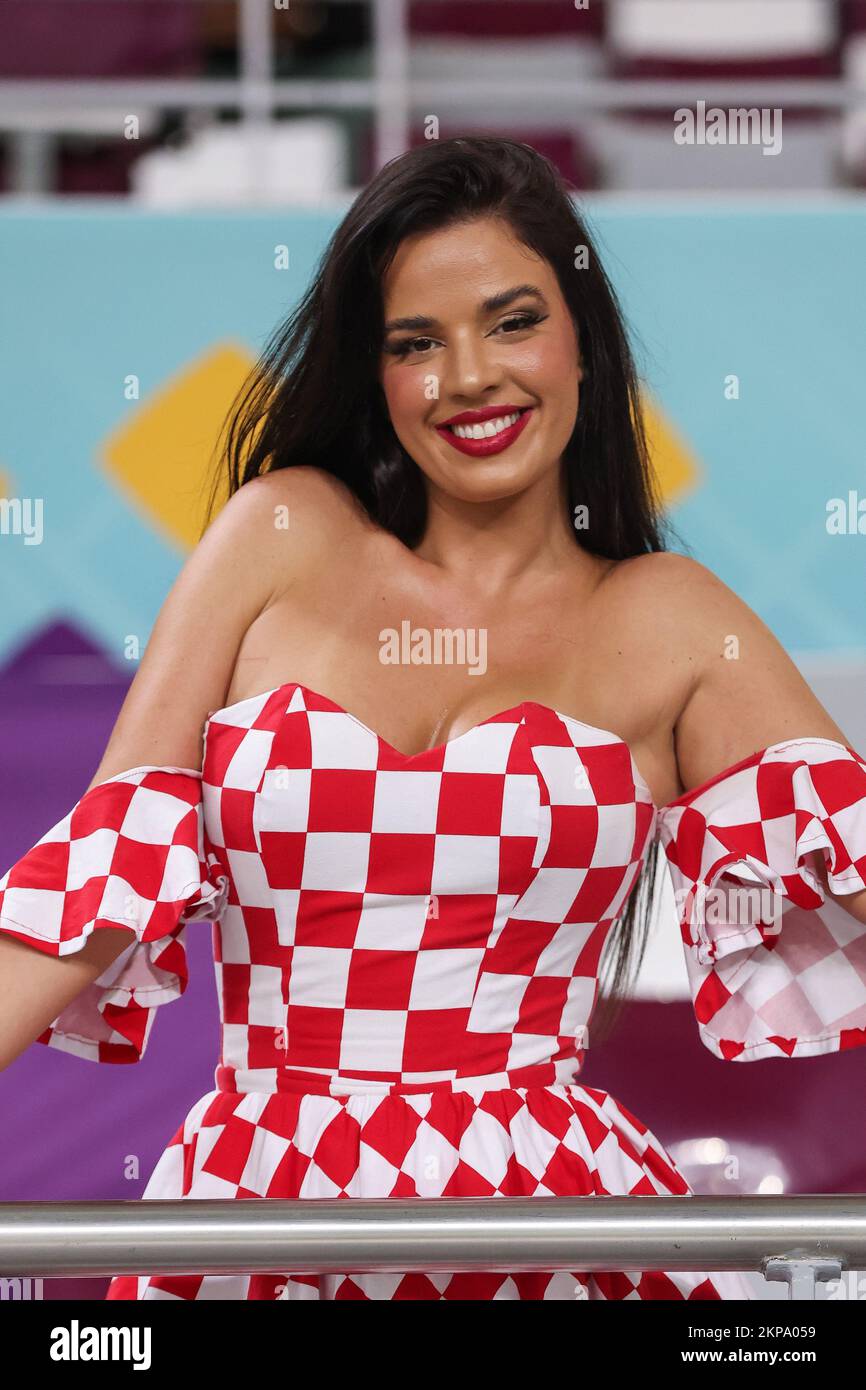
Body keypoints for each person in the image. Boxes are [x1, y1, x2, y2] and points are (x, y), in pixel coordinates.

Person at [1, 136, 865, 1302]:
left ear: (580, 343)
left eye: (511, 321)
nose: (467, 378)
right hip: (259, 1202)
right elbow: (97, 884)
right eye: (416, 343)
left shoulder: (669, 620)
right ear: (375, 372)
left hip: (550, 1227)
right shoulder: (276, 536)